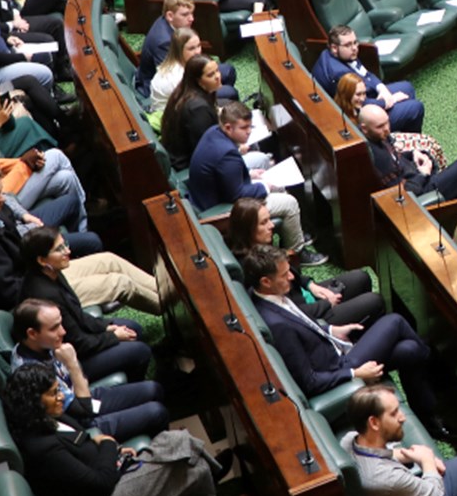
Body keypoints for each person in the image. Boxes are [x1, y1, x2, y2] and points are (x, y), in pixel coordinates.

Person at [242, 244, 448, 439]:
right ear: (266, 281)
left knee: (410, 350)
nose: (291, 277)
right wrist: (355, 374)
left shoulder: (268, 295)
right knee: (395, 321)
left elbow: (302, 323)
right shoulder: (278, 325)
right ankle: (438, 369)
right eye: (284, 274)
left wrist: (331, 330)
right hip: (339, 366)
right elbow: (309, 382)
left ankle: (429, 418)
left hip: (335, 348)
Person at [3, 361, 214, 496]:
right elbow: (100, 484)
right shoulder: (42, 448)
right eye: (52, 393)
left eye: (58, 390)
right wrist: (109, 447)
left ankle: (209, 485)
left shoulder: (49, 416)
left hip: (108, 475)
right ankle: (213, 480)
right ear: (33, 402)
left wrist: (114, 451)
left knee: (183, 456)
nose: (61, 397)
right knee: (180, 446)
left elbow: (85, 441)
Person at [0, 163, 161, 312]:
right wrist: (46, 270)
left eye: (0, 192)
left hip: (41, 273)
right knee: (120, 283)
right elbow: (10, 293)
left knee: (109, 260)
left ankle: (172, 293)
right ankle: (175, 311)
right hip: (38, 293)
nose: (2, 199)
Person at [7, 301, 169, 446]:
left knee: (154, 389)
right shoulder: (33, 374)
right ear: (32, 333)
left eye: (60, 324)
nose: (63, 332)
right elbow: (84, 411)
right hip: (81, 423)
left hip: (83, 397)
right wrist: (72, 364)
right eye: (54, 328)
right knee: (157, 412)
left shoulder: (37, 344)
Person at [189, 102, 325, 265]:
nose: (249, 132)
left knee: (261, 159)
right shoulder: (226, 154)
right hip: (220, 209)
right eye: (244, 128)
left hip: (213, 194)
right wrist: (265, 186)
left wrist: (250, 174)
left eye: (250, 126)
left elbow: (225, 172)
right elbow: (236, 195)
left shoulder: (214, 132)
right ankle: (296, 252)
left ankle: (292, 231)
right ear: (228, 127)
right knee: (289, 203)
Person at [359, 103, 457, 234]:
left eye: (387, 122)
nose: (387, 129)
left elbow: (397, 158)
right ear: (364, 128)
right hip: (421, 194)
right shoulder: (375, 157)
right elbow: (403, 194)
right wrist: (423, 173)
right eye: (380, 126)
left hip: (422, 179)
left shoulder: (379, 136)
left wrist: (414, 154)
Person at [19, 228, 150, 384]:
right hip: (72, 360)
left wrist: (106, 327)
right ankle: (134, 390)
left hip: (80, 340)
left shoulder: (52, 272)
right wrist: (114, 336)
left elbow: (78, 315)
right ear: (42, 260)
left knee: (133, 327)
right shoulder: (46, 295)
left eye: (65, 244)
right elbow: (78, 344)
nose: (68, 251)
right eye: (59, 249)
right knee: (140, 351)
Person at [225, 199, 381, 328]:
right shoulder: (251, 268)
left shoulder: (261, 245)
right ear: (248, 229)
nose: (272, 225)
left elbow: (289, 272)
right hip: (307, 318)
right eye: (264, 222)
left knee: (361, 277)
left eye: (269, 219)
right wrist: (327, 304)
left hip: (304, 295)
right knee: (374, 301)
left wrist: (311, 285)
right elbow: (287, 311)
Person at [312, 24, 424, 130]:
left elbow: (366, 74)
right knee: (416, 108)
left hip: (364, 95)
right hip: (359, 118)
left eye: (355, 42)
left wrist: (382, 89)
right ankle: (394, 139)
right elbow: (360, 104)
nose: (354, 48)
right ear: (334, 48)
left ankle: (395, 132)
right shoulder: (339, 74)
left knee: (407, 87)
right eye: (348, 45)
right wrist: (390, 101)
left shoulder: (343, 54)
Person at [136, 0, 237, 99]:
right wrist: (207, 83)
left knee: (228, 71)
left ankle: (218, 102)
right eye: (185, 15)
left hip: (183, 71)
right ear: (170, 16)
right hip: (170, 89)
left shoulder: (167, 22)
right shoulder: (164, 42)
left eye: (191, 13)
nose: (191, 19)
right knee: (230, 92)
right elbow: (174, 78)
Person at [160, 55, 225, 170]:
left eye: (217, 70)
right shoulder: (198, 109)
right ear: (199, 81)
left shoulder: (185, 91)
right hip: (190, 164)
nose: (218, 76)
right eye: (210, 75)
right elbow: (207, 149)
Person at [146, 27, 202, 115]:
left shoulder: (174, 63)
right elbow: (193, 106)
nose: (197, 52)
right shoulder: (178, 76)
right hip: (171, 116)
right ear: (179, 50)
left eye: (199, 46)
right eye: (191, 48)